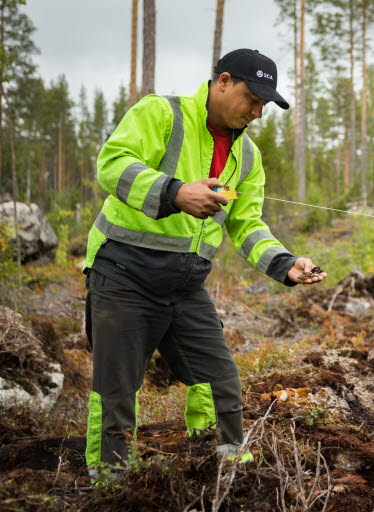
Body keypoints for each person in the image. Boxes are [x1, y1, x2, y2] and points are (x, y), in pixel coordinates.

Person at [82, 48, 326, 480]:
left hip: (184, 285)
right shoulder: (161, 114)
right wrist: (175, 191)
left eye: (265, 104)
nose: (258, 112)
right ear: (224, 81)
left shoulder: (247, 158)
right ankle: (110, 484)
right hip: (123, 273)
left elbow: (247, 224)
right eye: (252, 99)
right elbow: (112, 164)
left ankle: (224, 473)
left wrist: (285, 264)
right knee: (116, 390)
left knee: (220, 384)